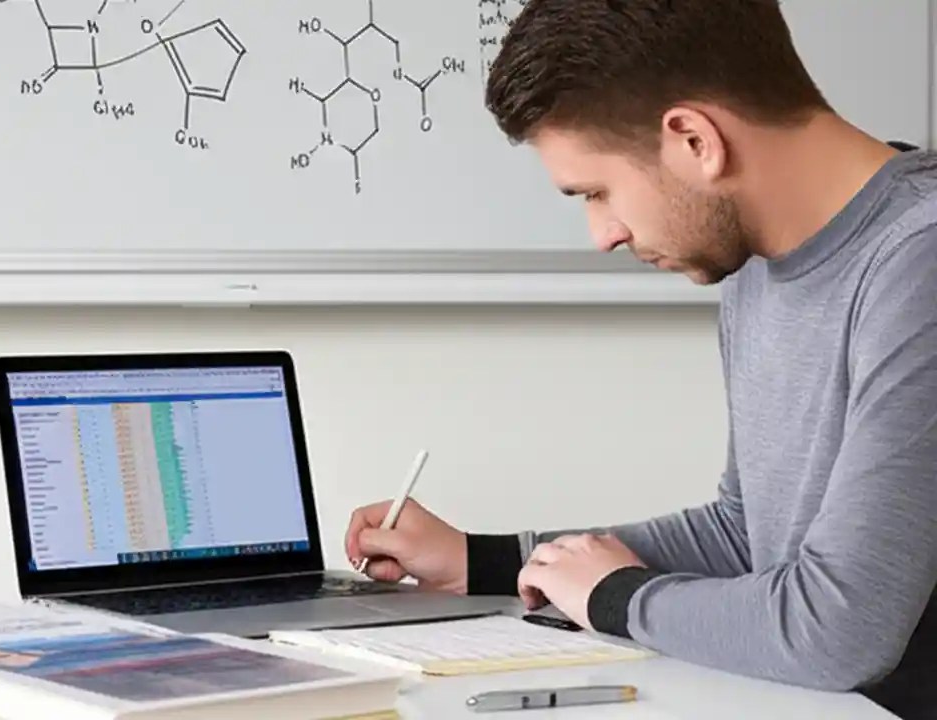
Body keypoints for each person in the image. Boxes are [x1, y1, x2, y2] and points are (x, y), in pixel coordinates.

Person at [344, 1, 937, 718]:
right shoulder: (755, 262)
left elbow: (837, 631)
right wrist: (492, 561)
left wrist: (615, 596)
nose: (603, 233)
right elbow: (745, 533)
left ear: (693, 139)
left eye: (595, 192)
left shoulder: (918, 264)